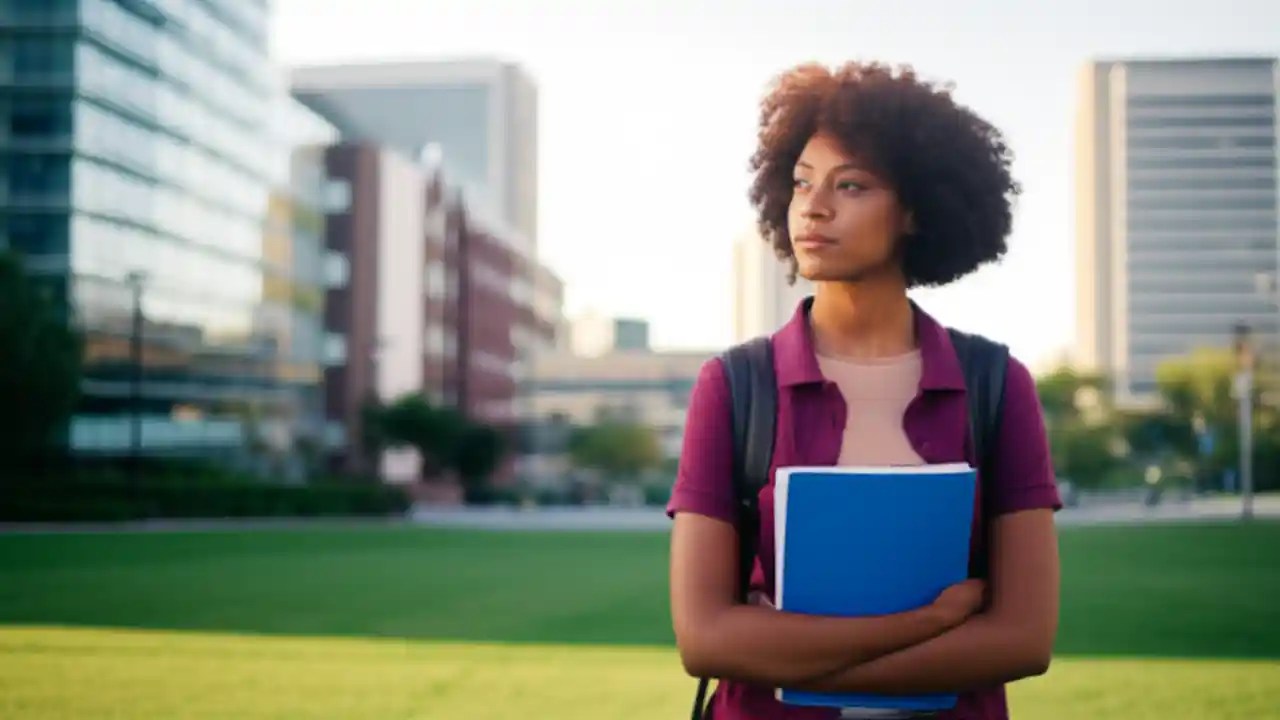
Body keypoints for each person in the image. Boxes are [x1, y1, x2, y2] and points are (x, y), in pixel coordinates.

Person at [667, 62, 1062, 720]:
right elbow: (706, 641)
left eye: (850, 185)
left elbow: (1023, 641)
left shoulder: (995, 385)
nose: (814, 207)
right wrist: (931, 622)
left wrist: (785, 648)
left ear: (914, 210)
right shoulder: (735, 386)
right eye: (800, 184)